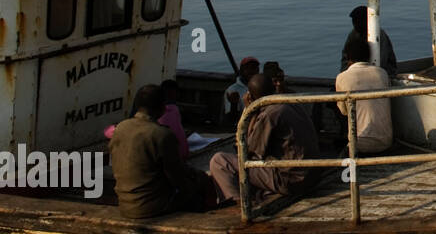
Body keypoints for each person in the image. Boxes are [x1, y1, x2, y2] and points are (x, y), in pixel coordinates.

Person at [209, 73, 320, 205]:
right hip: (311, 175)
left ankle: (237, 205)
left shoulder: (269, 113)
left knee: (220, 161)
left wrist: (250, 111)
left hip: (290, 180)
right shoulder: (292, 103)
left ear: (251, 96)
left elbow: (248, 151)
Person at [109, 85, 209, 218]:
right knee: (199, 185)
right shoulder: (162, 134)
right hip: (151, 208)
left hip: (125, 204)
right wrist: (196, 182)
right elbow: (177, 178)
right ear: (162, 108)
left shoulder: (120, 128)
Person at [335, 33, 393, 154]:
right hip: (386, 141)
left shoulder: (342, 78)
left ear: (347, 57)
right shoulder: (382, 73)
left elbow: (344, 111)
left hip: (359, 144)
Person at [105, 77, 188, 158]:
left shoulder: (123, 126)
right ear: (161, 108)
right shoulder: (163, 132)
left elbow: (107, 132)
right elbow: (182, 153)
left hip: (123, 168)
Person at [341, 6, 397, 80]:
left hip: (384, 74)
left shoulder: (378, 34)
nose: (355, 24)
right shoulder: (353, 34)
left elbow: (382, 60)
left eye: (358, 21)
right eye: (354, 22)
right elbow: (345, 56)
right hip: (356, 72)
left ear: (367, 21)